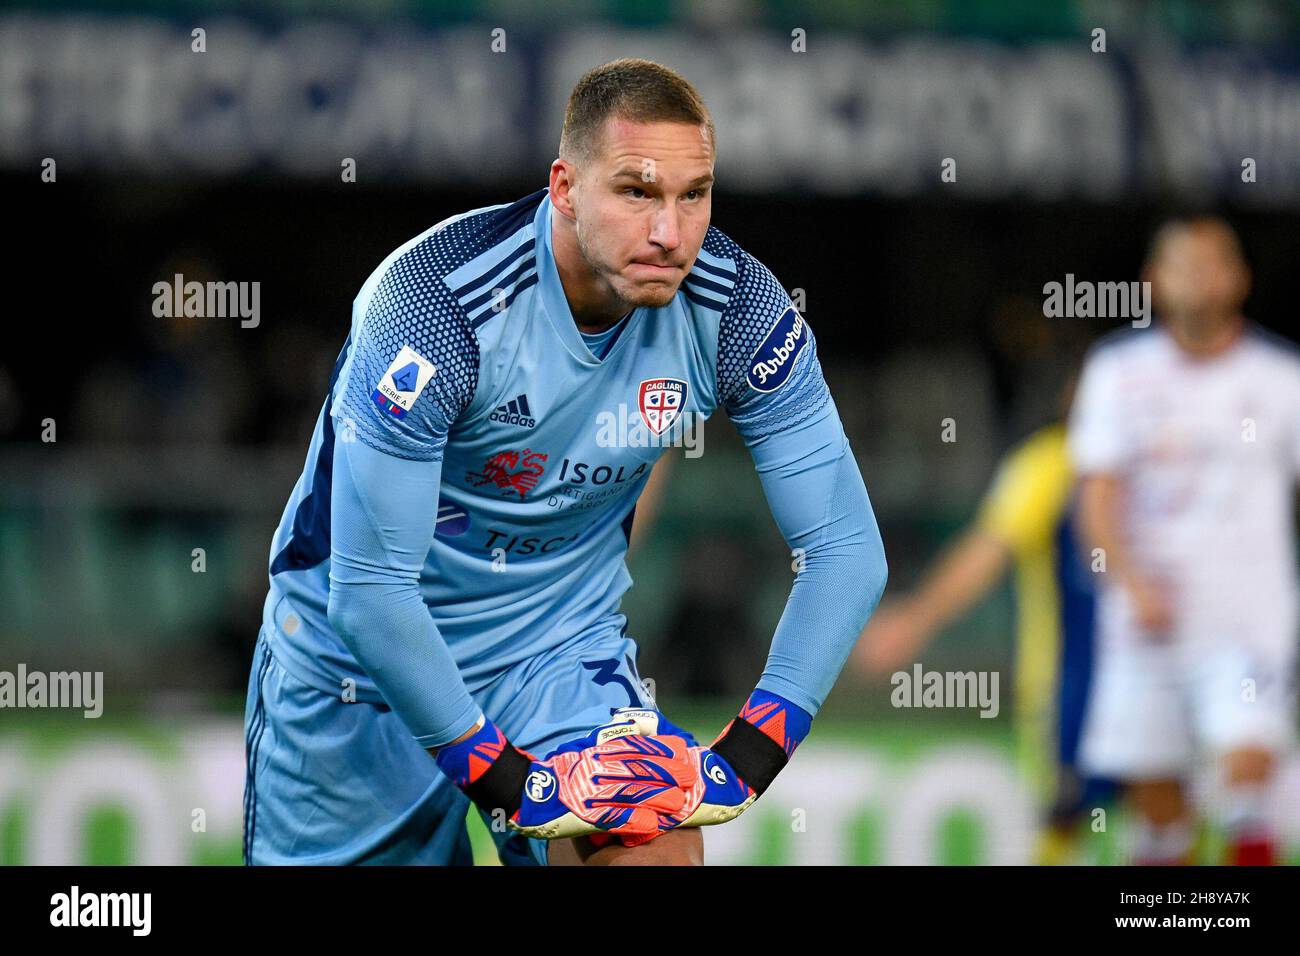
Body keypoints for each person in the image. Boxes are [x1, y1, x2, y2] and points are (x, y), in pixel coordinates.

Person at [242, 58, 887, 866]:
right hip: (359, 673)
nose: (670, 232)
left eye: (694, 194)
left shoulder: (741, 308)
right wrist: (509, 780)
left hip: (556, 656)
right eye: (636, 191)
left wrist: (750, 756)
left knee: (654, 854)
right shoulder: (433, 306)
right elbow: (370, 593)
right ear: (565, 187)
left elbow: (846, 552)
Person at [1070, 216, 1300, 865]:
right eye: (1183, 265)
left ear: (1240, 279)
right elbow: (1098, 495)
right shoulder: (1118, 370)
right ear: (1153, 282)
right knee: (1160, 816)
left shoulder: (1283, 379)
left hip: (1248, 620)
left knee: (1248, 781)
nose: (1199, 279)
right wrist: (1132, 581)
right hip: (1147, 622)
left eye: (1213, 264)